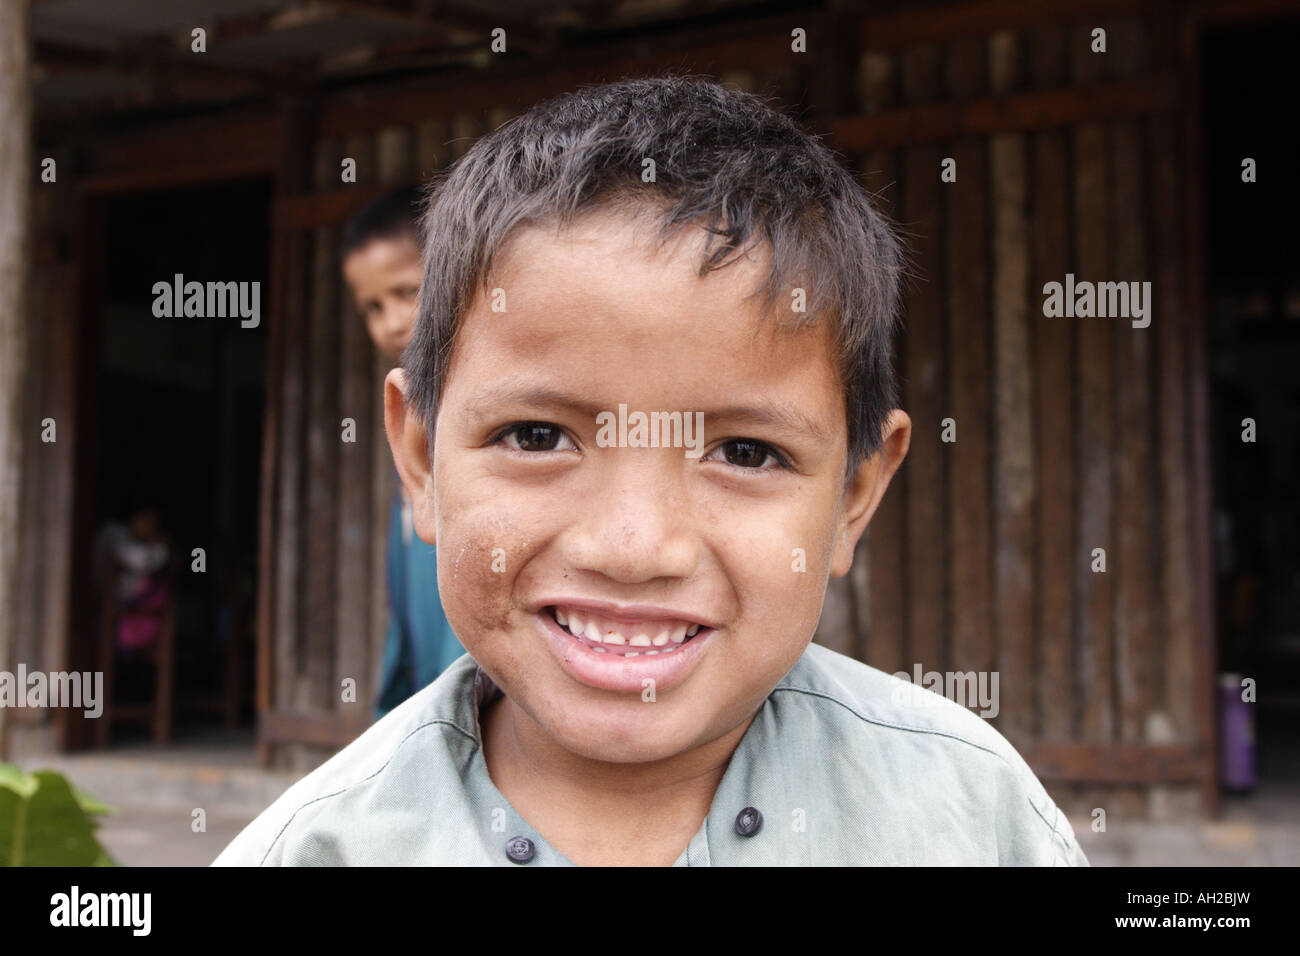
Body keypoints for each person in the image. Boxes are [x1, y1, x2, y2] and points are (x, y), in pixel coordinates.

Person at [214, 76, 1089, 866]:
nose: (633, 547)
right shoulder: (317, 852)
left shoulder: (972, 817)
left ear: (855, 497)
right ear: (419, 462)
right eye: (535, 435)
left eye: (746, 452)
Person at [338, 186, 465, 719]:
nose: (391, 321)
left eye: (407, 292)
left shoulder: (485, 415)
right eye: (372, 306)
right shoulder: (415, 416)